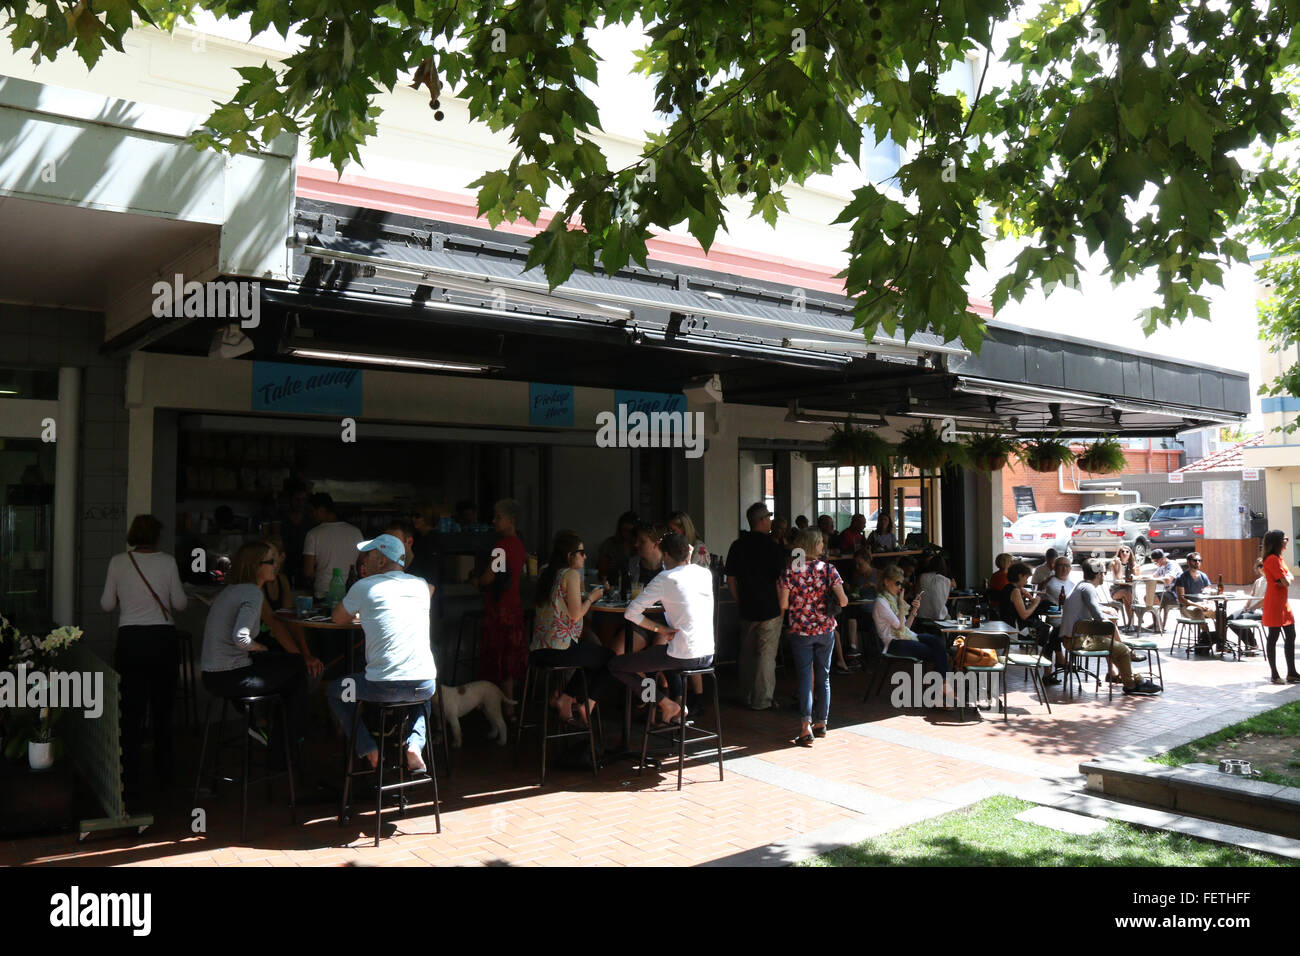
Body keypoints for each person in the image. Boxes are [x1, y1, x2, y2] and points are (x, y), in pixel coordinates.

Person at [327, 535, 439, 772]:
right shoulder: (421, 585)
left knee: (337, 691)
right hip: (424, 683)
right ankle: (414, 746)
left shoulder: (364, 586)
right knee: (422, 698)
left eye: (367, 556)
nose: (363, 561)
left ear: (379, 561)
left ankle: (368, 748)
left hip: (382, 686)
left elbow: (337, 618)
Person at [200, 541, 310, 774]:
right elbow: (241, 638)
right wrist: (260, 648)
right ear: (255, 566)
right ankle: (285, 750)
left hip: (213, 674)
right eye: (270, 561)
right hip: (231, 675)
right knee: (297, 669)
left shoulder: (232, 590)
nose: (275, 565)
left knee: (288, 670)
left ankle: (274, 735)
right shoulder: (252, 591)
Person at [100, 514, 188, 798]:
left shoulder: (117, 562)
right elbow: (179, 603)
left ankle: (130, 771)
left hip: (131, 640)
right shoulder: (168, 562)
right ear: (157, 536)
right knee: (163, 707)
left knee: (132, 708)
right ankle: (165, 771)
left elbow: (106, 604)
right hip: (162, 640)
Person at [613, 532, 715, 726]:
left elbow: (631, 613)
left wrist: (660, 629)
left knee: (617, 666)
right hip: (707, 654)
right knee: (655, 660)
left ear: (665, 555)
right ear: (688, 552)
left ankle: (664, 703)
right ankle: (673, 703)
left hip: (682, 655)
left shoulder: (666, 577)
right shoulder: (704, 574)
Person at [529, 531, 611, 725]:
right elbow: (576, 614)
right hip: (559, 650)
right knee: (610, 658)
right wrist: (592, 597)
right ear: (569, 556)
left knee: (594, 652)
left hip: (538, 651)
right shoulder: (570, 574)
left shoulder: (546, 572)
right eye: (581, 552)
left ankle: (566, 700)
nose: (585, 556)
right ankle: (586, 704)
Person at [778, 529, 848, 746]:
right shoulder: (828, 570)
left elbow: (783, 604)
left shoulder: (791, 571)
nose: (822, 546)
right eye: (820, 543)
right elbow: (843, 601)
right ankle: (821, 722)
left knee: (804, 677)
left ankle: (805, 725)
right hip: (825, 629)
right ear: (814, 545)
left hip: (800, 630)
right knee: (824, 676)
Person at [1059, 558, 1159, 695]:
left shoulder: (1081, 586)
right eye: (1103, 574)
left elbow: (1092, 606)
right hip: (1078, 641)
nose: (1103, 576)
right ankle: (1131, 684)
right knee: (1122, 649)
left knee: (1116, 650)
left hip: (1072, 639)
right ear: (1099, 574)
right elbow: (1097, 614)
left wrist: (1105, 611)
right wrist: (1108, 622)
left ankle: (1137, 679)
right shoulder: (1088, 588)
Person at [726, 502, 787, 711]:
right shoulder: (772, 547)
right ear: (761, 520)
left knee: (747, 654)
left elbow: (731, 579)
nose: (770, 521)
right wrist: (782, 606)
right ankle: (762, 700)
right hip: (770, 607)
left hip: (747, 607)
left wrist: (739, 600)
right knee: (766, 655)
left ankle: (746, 695)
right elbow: (780, 581)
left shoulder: (737, 545)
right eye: (768, 517)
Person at [476, 499, 527, 715]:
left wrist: (476, 581)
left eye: (498, 517)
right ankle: (509, 708)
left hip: (499, 610)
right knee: (510, 659)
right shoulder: (520, 545)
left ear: (511, 520)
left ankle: (503, 710)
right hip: (514, 607)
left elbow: (489, 577)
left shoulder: (501, 546)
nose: (494, 520)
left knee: (499, 660)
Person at [873, 564, 949, 703]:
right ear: (886, 582)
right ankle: (939, 692)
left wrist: (914, 610)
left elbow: (906, 627)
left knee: (937, 642)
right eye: (897, 583)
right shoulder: (881, 602)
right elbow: (900, 626)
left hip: (906, 636)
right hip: (893, 642)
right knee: (934, 653)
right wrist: (902, 604)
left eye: (901, 583)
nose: (900, 587)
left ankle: (940, 688)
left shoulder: (894, 601)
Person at [302, 493, 363, 599]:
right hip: (351, 591)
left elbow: (308, 572)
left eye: (312, 511)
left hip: (323, 592)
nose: (310, 515)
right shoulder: (356, 532)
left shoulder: (313, 534)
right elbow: (362, 566)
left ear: (321, 510)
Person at [1261, 530, 1298, 684]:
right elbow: (1287, 581)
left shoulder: (1279, 558)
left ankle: (1292, 672)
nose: (1287, 541)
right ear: (1277, 542)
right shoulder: (1271, 559)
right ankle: (1275, 674)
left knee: (1291, 635)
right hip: (1275, 602)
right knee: (1274, 637)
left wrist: (1285, 578)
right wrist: (1285, 579)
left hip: (1283, 602)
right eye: (1285, 539)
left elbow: (1290, 578)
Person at [1174, 551, 1216, 645]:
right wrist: (1198, 605)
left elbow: (1207, 594)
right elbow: (1181, 599)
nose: (1197, 562)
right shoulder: (1182, 577)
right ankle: (1207, 642)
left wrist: (1207, 603)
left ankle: (1220, 642)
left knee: (1220, 614)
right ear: (1188, 562)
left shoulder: (1203, 576)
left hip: (1203, 606)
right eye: (1195, 560)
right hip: (1187, 607)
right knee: (1198, 611)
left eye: (1199, 560)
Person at [997, 562, 1045, 631]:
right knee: (1044, 627)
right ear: (1020, 576)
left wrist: (1030, 598)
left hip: (1006, 626)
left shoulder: (1007, 587)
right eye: (1026, 578)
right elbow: (1024, 615)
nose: (1026, 581)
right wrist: (1035, 603)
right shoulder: (1015, 591)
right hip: (1014, 629)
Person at [598, 511, 639, 584]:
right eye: (624, 530)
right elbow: (602, 572)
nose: (627, 534)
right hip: (613, 584)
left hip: (635, 585)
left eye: (631, 531)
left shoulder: (639, 546)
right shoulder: (610, 544)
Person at [916, 552, 954, 622]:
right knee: (949, 617)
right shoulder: (947, 581)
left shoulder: (921, 577)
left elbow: (917, 594)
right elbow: (945, 600)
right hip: (939, 616)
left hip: (921, 614)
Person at [1107, 546, 1139, 627]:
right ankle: (1138, 612)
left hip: (1128, 588)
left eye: (1127, 551)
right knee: (1126, 593)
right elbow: (1118, 577)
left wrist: (1136, 569)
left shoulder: (1132, 564)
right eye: (1122, 551)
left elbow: (1137, 578)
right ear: (1119, 553)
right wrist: (1120, 564)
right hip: (1116, 589)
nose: (1125, 553)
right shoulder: (1115, 563)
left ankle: (1130, 624)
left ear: (1130, 554)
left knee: (1127, 597)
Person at [260, 535, 294, 611]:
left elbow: (287, 611)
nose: (267, 560)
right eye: (264, 556)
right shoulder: (256, 582)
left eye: (272, 556)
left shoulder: (282, 579)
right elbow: (268, 618)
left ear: (282, 557)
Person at [627, 522, 666, 589]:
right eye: (636, 540)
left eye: (642, 541)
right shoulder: (631, 564)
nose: (636, 544)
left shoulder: (672, 565)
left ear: (657, 543)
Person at [1150, 549, 1180, 628]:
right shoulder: (1162, 566)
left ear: (1162, 559)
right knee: (1149, 597)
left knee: (1152, 597)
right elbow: (1153, 576)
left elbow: (1168, 580)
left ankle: (1158, 624)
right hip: (1169, 593)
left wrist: (1156, 579)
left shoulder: (1171, 565)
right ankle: (1157, 622)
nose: (1155, 564)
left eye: (1156, 562)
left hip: (1177, 594)